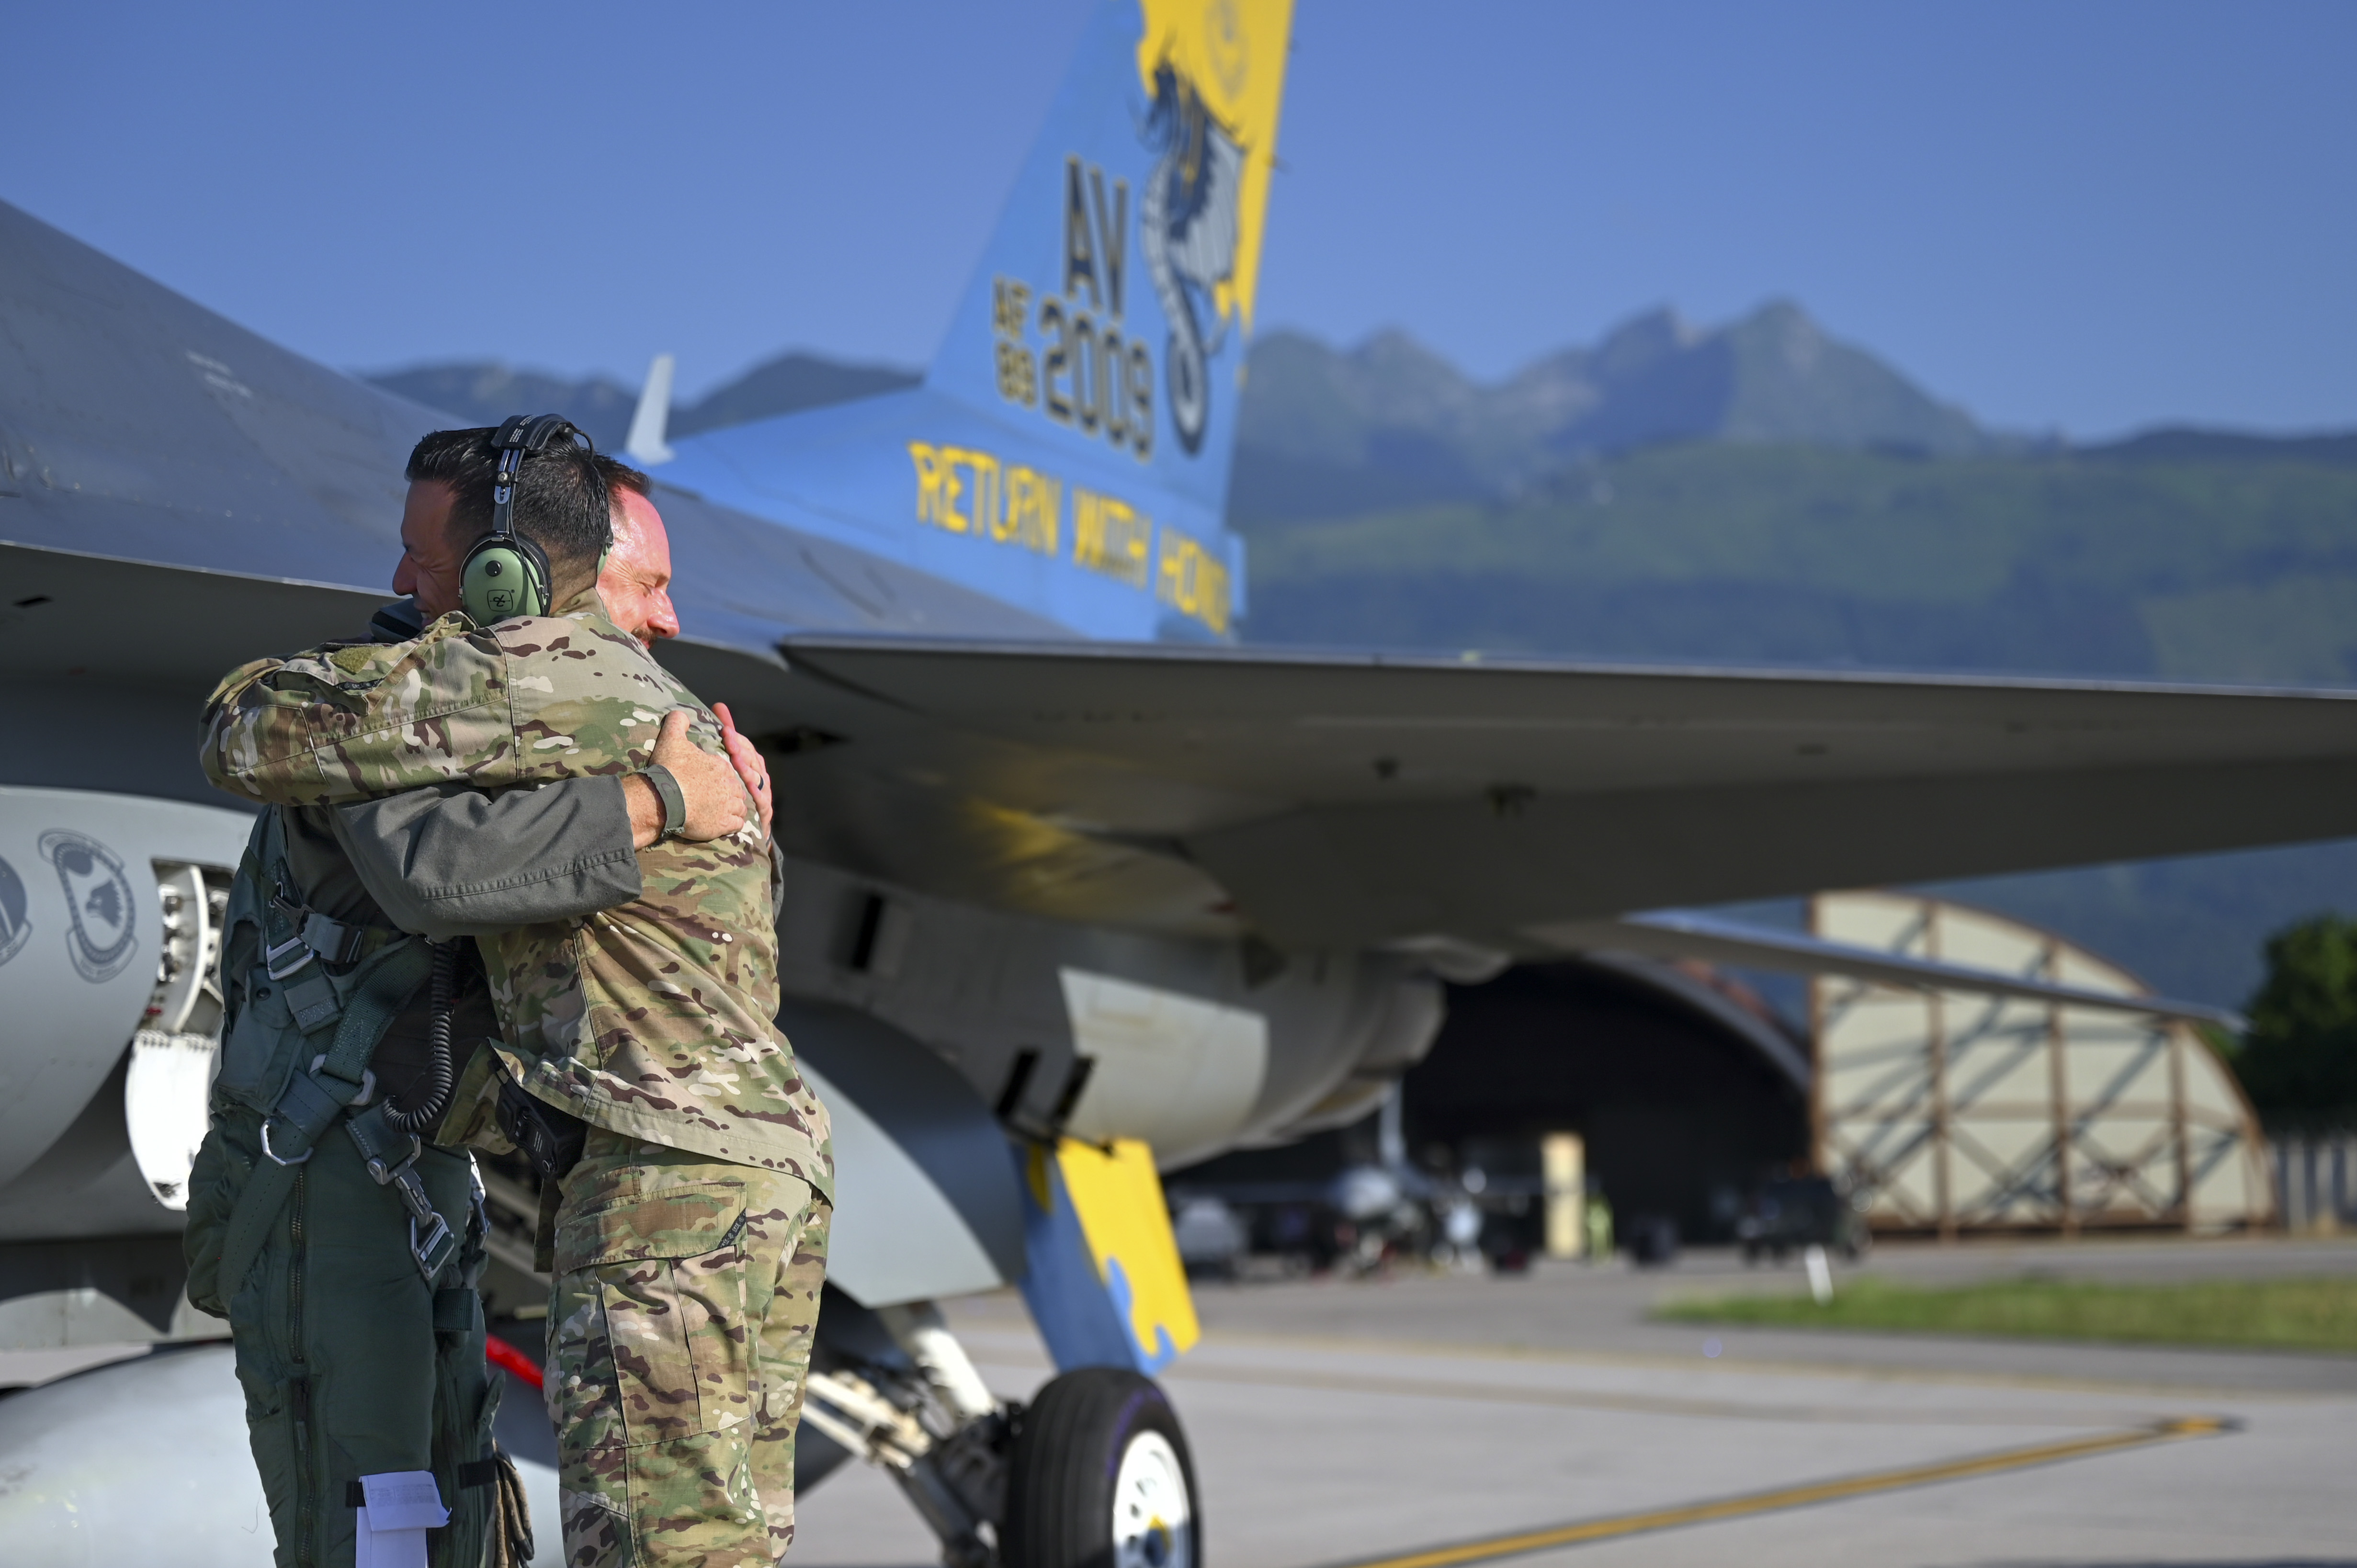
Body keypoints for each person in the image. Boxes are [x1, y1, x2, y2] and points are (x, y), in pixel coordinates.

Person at [201, 423, 832, 1568]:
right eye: (651, 586)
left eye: (425, 556)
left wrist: (653, 801)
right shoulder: (681, 723)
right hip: (759, 1176)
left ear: (511, 572)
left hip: (658, 1190)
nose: (403, 580)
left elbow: (260, 739)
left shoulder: (510, 684)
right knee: (715, 1542)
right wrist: (670, 800)